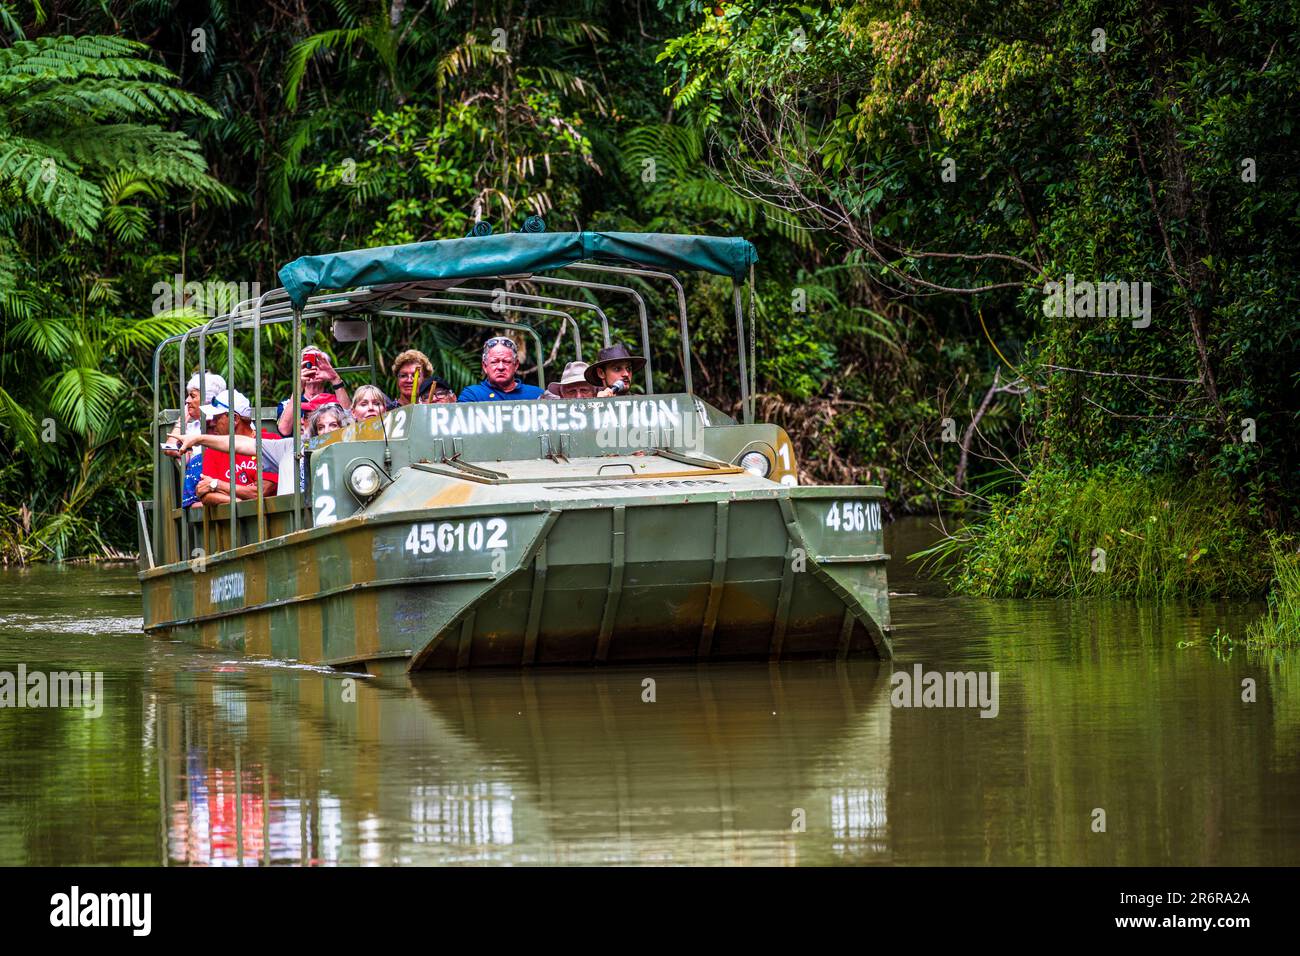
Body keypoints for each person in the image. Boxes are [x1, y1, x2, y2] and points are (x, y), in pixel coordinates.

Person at [181, 389, 278, 507]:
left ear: (235, 419)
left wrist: (217, 485)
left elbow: (261, 491)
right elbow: (206, 495)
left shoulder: (271, 442)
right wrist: (239, 503)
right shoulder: (212, 451)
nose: (212, 423)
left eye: (217, 418)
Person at [276, 346, 350, 435]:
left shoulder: (336, 401)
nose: (314, 368)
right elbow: (284, 430)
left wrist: (335, 379)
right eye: (309, 364)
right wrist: (299, 385)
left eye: (319, 364)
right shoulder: (287, 404)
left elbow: (350, 419)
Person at [457, 336, 545, 402]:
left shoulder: (537, 394)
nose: (500, 367)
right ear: (485, 366)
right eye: (494, 362)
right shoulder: (472, 395)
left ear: (516, 365)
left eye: (506, 361)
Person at [166, 370, 226, 461]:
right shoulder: (193, 427)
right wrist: (182, 419)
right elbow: (170, 449)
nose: (187, 400)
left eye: (192, 396)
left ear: (208, 399)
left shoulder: (225, 423)